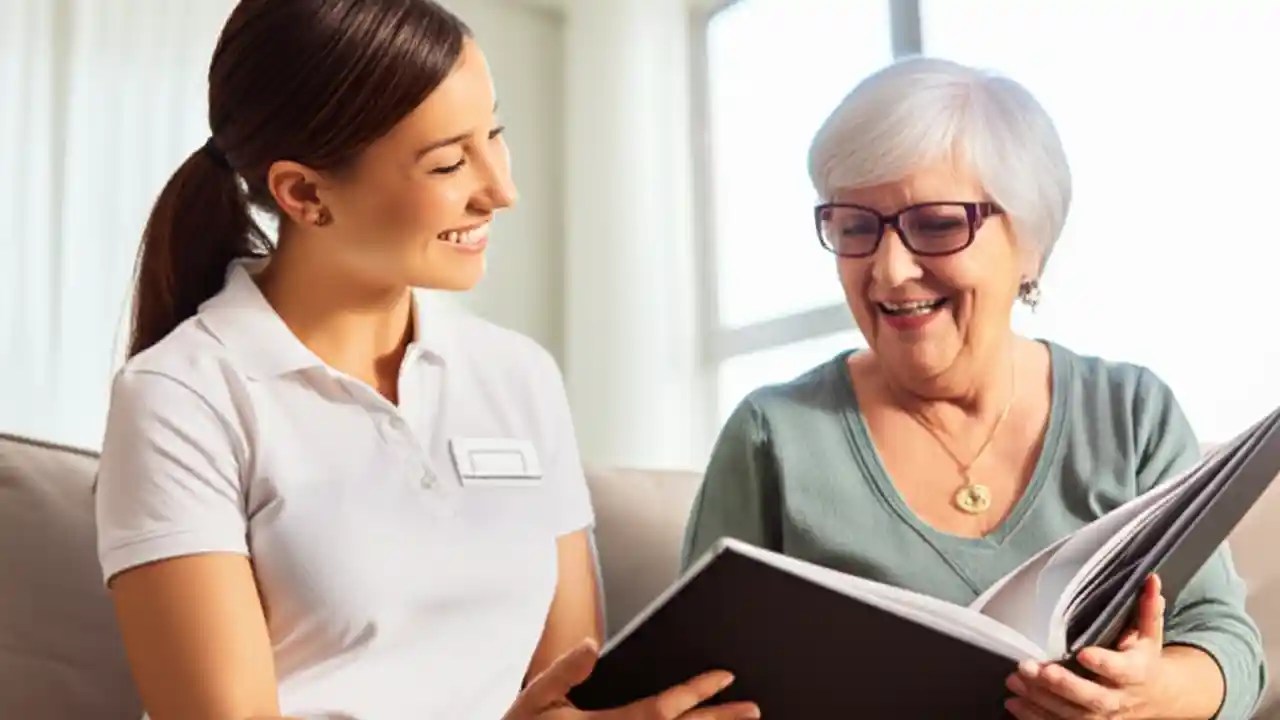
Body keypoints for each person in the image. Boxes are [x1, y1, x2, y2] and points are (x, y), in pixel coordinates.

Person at [93, 2, 761, 719]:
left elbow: (569, 685)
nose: (502, 191)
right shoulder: (180, 396)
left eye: (494, 135)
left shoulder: (517, 376)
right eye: (448, 162)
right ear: (306, 194)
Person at [681, 56, 1267, 719]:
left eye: (936, 225)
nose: (891, 270)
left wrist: (1140, 697)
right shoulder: (772, 436)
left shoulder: (1131, 414)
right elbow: (689, 680)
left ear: (1029, 242)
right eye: (855, 228)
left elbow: (1225, 645)